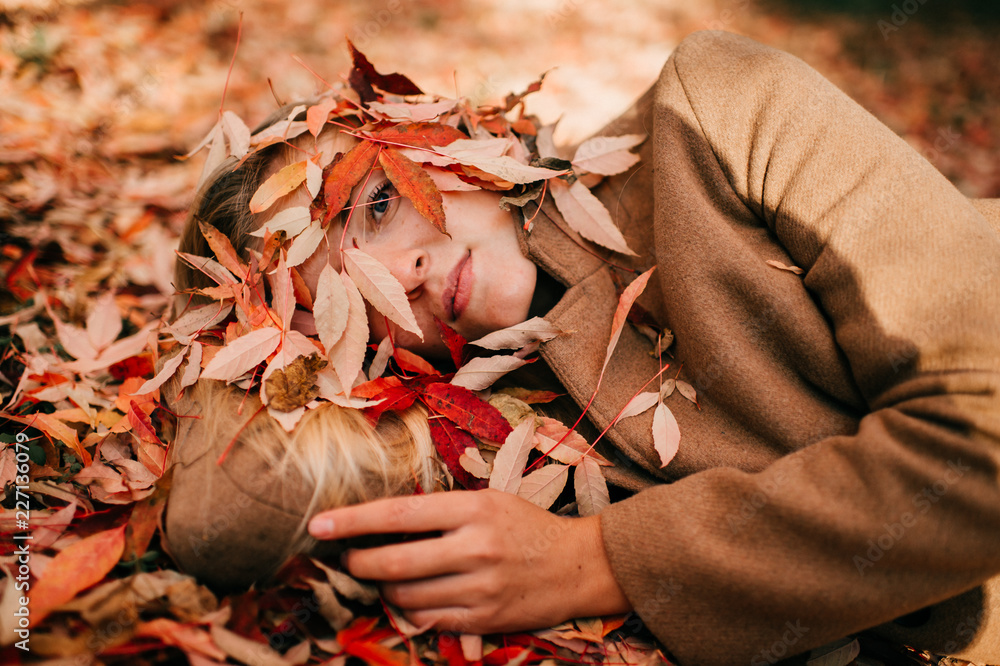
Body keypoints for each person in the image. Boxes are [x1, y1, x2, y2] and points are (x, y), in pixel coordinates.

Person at [162, 30, 1000, 665]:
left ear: (443, 131)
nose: (403, 274)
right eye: (340, 295)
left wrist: (601, 561)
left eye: (379, 202)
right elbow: (217, 525)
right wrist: (224, 345)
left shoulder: (717, 115)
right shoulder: (468, 411)